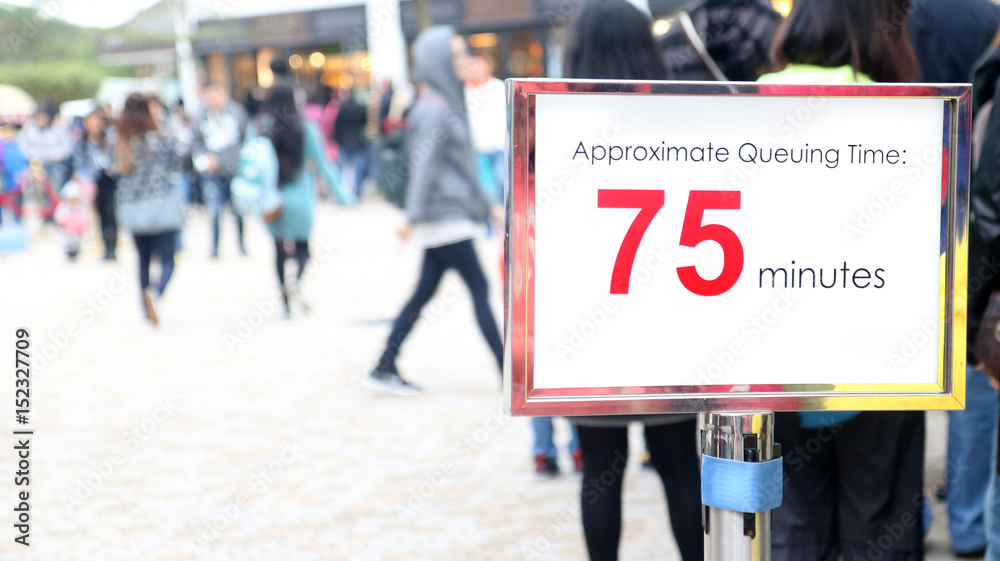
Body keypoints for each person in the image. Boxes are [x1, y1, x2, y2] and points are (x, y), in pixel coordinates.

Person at [757, 2, 927, 560]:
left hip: (773, 356)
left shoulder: (751, 102)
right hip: (885, 354)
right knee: (880, 520)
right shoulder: (904, 110)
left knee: (793, 521)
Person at [560, 3, 704, 561]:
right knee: (677, 465)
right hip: (667, 322)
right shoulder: (677, 121)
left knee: (600, 470)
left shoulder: (555, 125)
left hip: (587, 327)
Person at [367, 26, 501, 395]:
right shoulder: (433, 109)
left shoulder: (443, 102)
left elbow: (464, 167)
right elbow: (422, 168)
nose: (465, 60)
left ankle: (385, 363)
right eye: (457, 54)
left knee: (424, 294)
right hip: (444, 218)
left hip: (449, 215)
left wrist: (489, 206)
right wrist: (411, 217)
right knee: (479, 287)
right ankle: (508, 370)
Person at [257, 83, 356, 317]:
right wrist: (344, 197)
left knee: (279, 251)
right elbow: (323, 165)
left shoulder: (262, 128)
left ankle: (285, 303)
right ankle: (297, 282)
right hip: (300, 199)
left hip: (272, 200)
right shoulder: (307, 128)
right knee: (303, 251)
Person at [115, 93, 185, 326]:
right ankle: (155, 293)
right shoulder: (161, 135)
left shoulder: (121, 140)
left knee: (143, 260)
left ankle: (145, 309)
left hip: (133, 209)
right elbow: (181, 155)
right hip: (161, 205)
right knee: (168, 259)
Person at [192, 81, 248, 258]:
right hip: (212, 172)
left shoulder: (236, 112)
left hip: (234, 169)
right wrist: (204, 158)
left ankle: (241, 244)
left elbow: (246, 137)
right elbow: (195, 143)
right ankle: (215, 247)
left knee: (238, 210)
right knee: (214, 210)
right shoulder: (200, 117)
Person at [72, 107, 117, 260]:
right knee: (92, 217)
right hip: (90, 184)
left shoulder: (109, 140)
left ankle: (111, 248)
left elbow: (115, 160)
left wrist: (112, 169)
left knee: (109, 215)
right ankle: (96, 247)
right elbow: (78, 165)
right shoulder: (82, 144)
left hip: (108, 181)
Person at [464, 56, 506, 207]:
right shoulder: (465, 92)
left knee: (504, 183)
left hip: (499, 145)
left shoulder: (500, 88)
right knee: (486, 189)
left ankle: (505, 224)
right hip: (477, 148)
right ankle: (491, 223)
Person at [17, 103, 73, 194]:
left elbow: (67, 147)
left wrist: (54, 155)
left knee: (53, 193)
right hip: (33, 167)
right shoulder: (29, 128)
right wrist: (32, 155)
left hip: (53, 167)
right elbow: (21, 145)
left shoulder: (58, 128)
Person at [332, 88, 368, 199]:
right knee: (358, 167)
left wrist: (336, 139)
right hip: (357, 141)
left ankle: (338, 191)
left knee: (340, 167)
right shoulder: (360, 107)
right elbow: (365, 123)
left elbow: (337, 125)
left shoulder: (342, 107)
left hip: (344, 140)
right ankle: (358, 192)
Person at [53, 181, 87, 261]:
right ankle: (69, 255)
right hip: (67, 230)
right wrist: (63, 221)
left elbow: (84, 218)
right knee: (67, 244)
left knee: (77, 244)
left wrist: (83, 226)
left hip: (77, 231)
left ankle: (75, 254)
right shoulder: (64, 208)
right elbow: (59, 216)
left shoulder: (80, 208)